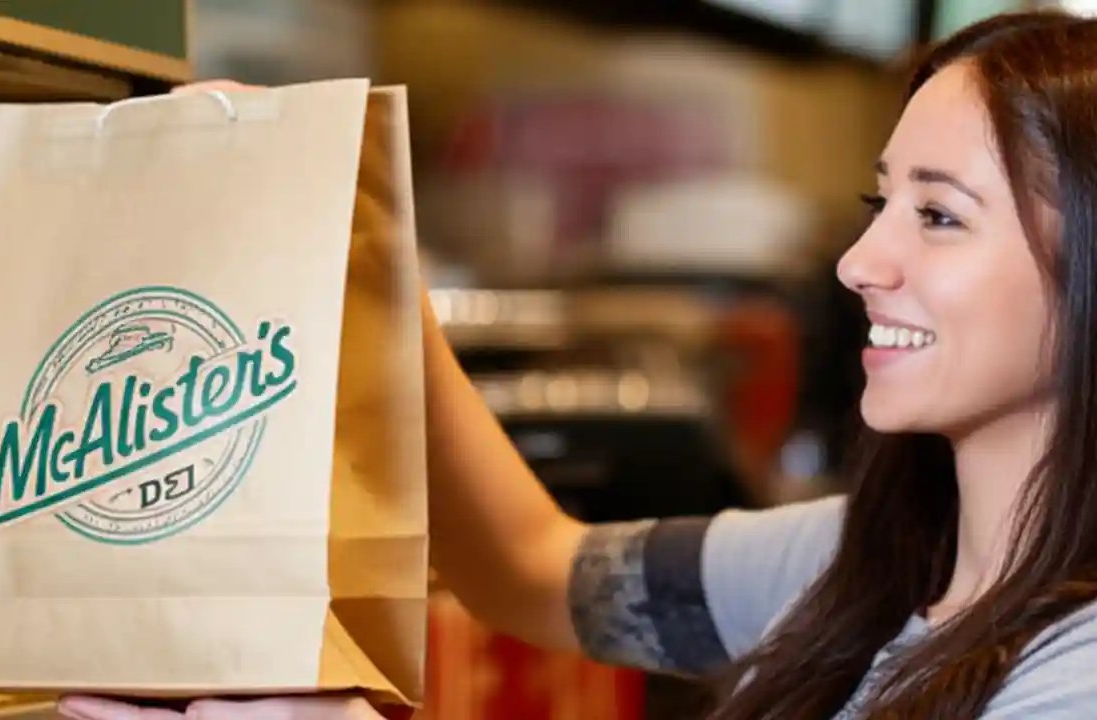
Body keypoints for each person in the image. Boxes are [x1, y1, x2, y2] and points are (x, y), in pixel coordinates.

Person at [57, 10, 1097, 719]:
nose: (858, 261)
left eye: (937, 215)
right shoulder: (859, 564)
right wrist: (361, 258)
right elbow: (531, 570)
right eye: (880, 205)